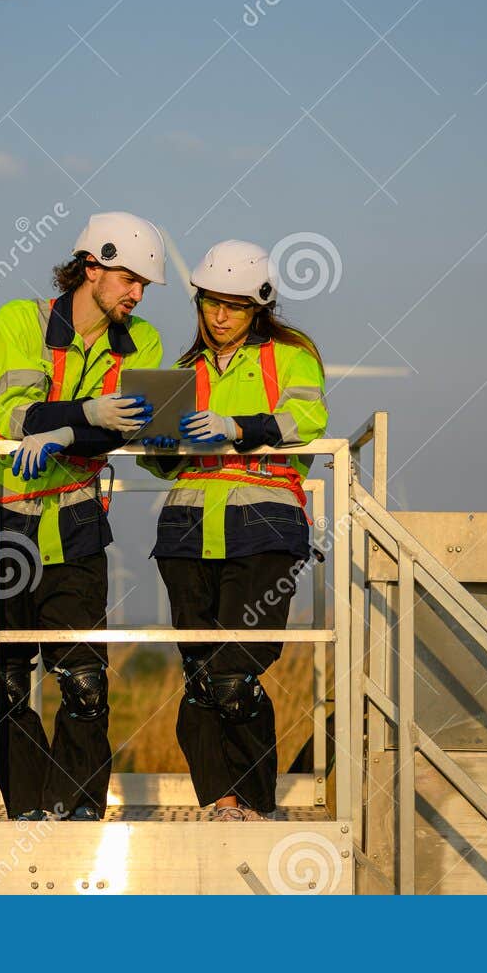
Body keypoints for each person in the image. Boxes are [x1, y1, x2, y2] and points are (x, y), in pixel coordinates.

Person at [0, 212, 166, 822]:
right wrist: (91, 416)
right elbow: (19, 416)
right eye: (130, 279)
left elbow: (127, 429)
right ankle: (26, 814)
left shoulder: (142, 340)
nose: (137, 295)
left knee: (84, 683)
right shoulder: (20, 320)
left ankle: (76, 814)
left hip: (74, 526)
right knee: (8, 682)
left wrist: (75, 423)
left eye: (145, 286)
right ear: (91, 267)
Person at [141, 239, 327, 820]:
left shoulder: (291, 357)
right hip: (187, 532)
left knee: (235, 669)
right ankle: (223, 800)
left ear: (260, 306)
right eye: (210, 304)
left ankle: (254, 801)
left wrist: (236, 427)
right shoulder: (182, 372)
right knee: (200, 674)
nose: (219, 317)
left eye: (234, 305)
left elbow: (308, 420)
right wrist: (159, 443)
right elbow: (159, 464)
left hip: (264, 525)